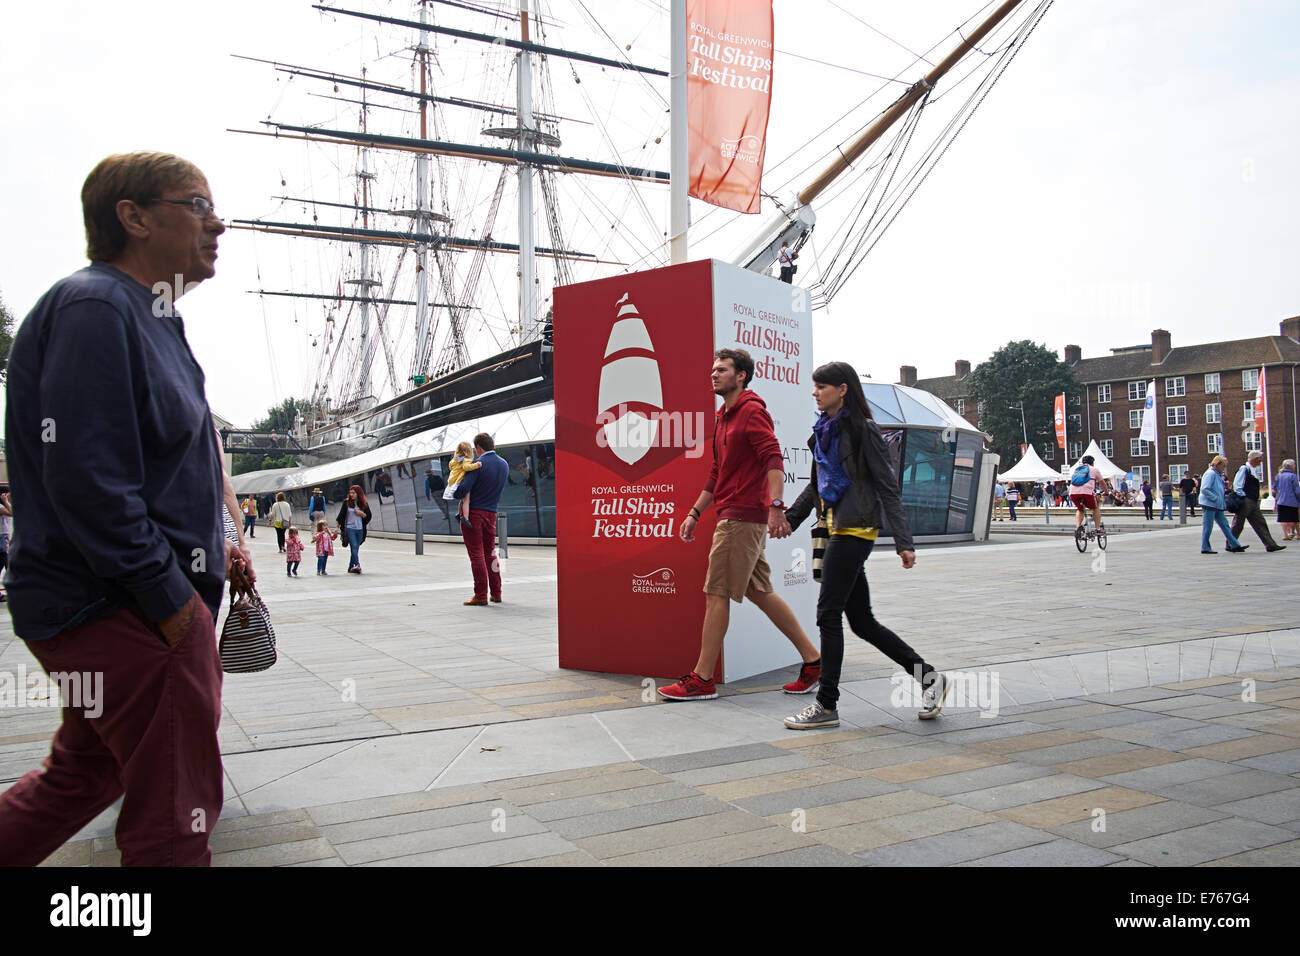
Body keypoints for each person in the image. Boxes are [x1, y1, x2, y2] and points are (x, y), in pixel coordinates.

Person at [0, 151, 236, 866]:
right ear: (132, 217)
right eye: (196, 204)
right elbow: (88, 478)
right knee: (175, 817)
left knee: (86, 773)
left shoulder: (152, 317)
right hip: (122, 609)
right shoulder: (98, 308)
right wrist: (170, 602)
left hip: (120, 606)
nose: (217, 223)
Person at [782, 362, 949, 730]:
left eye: (821, 387)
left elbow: (887, 486)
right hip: (835, 529)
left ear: (842, 389)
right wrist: (791, 519)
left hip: (855, 529)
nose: (815, 393)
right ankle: (930, 678)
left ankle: (826, 705)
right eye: (815, 386)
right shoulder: (823, 433)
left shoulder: (864, 431)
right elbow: (817, 485)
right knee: (862, 622)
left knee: (827, 614)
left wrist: (904, 542)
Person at [657, 349, 821, 701]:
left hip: (741, 518)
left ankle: (702, 678)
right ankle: (813, 660)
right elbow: (718, 471)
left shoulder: (751, 410)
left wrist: (776, 507)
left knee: (716, 592)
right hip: (734, 515)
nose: (714, 374)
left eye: (722, 369)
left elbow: (773, 458)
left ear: (741, 375)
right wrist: (694, 512)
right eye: (713, 369)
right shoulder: (723, 417)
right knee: (760, 592)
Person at [453, 433, 509, 605]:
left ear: (478, 447)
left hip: (474, 514)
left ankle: (480, 595)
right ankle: (496, 593)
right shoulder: (504, 464)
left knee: (476, 555)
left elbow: (462, 490)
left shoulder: (478, 464)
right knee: (490, 553)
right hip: (491, 513)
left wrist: (455, 489)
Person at [1231, 450, 1286, 552]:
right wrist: (1243, 495)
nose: (1261, 461)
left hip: (1253, 501)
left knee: (1260, 522)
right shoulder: (1244, 468)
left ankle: (1270, 544)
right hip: (1247, 500)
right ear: (1255, 459)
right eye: (1260, 459)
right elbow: (1237, 484)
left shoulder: (1252, 469)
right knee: (1238, 523)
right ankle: (1231, 544)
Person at [1199, 455, 1247, 554]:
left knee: (1225, 525)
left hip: (1216, 505)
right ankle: (1205, 547)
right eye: (1223, 465)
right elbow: (1205, 489)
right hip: (1210, 504)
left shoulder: (1216, 474)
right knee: (1208, 527)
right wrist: (1215, 498)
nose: (1224, 468)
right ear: (1217, 464)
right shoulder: (1210, 474)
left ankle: (1235, 545)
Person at [444, 441, 483, 529]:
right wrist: (477, 465)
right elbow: (466, 467)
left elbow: (450, 467)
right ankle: (465, 517)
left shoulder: (454, 460)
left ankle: (459, 513)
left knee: (462, 500)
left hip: (452, 483)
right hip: (460, 482)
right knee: (466, 500)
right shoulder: (466, 460)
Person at [1068, 455, 1109, 535]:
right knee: (1095, 508)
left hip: (1073, 493)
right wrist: (1106, 492)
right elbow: (1102, 483)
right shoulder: (1094, 469)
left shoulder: (1077, 469)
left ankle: (1078, 527)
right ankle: (1098, 529)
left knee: (1080, 509)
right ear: (1092, 463)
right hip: (1087, 493)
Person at [336, 485, 370, 573]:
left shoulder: (364, 503)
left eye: (353, 493)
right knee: (354, 546)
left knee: (356, 548)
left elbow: (368, 516)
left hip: (360, 529)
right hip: (350, 528)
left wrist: (361, 514)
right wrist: (337, 528)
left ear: (358, 493)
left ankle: (351, 566)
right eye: (350, 493)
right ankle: (357, 565)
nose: (351, 495)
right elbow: (341, 516)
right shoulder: (346, 503)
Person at [1272, 459, 1300, 541]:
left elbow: (1274, 489)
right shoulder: (1293, 476)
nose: (1295, 467)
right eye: (1294, 465)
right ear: (1290, 466)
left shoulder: (1278, 476)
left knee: (1283, 518)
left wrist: (1276, 498)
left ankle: (1286, 535)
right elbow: (1297, 490)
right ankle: (1298, 534)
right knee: (1294, 518)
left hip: (1281, 501)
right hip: (1292, 501)